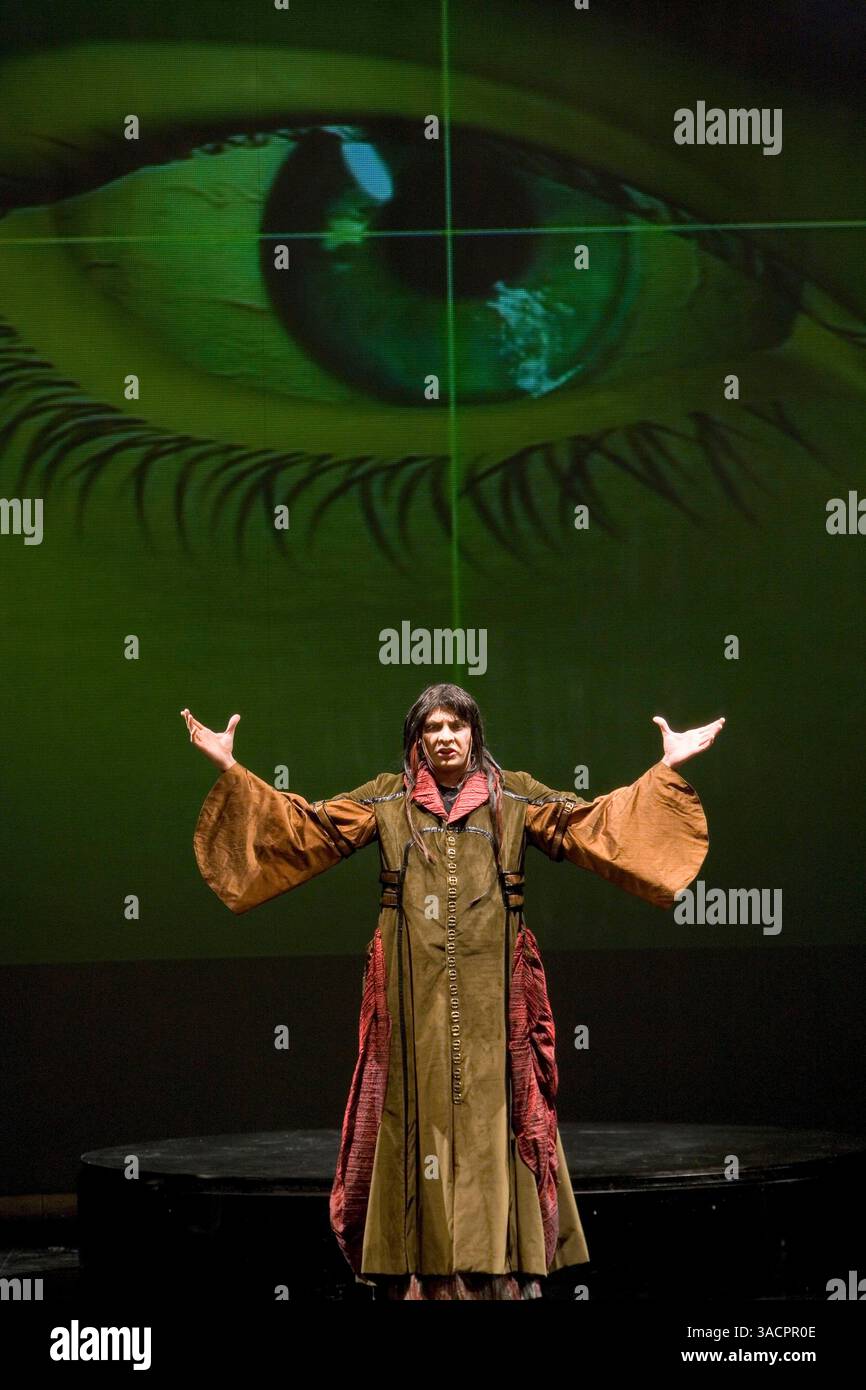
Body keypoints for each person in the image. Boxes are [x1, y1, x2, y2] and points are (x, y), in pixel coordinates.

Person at [182, 685, 723, 1300]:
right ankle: (418, 1268)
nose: (445, 737)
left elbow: (590, 823)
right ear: (417, 738)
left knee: (499, 1115)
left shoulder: (512, 795)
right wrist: (232, 769)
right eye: (432, 727)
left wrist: (665, 770)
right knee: (413, 1113)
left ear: (474, 734)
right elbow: (305, 829)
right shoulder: (387, 799)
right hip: (411, 994)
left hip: (496, 993)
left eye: (457, 725)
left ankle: (498, 1267)